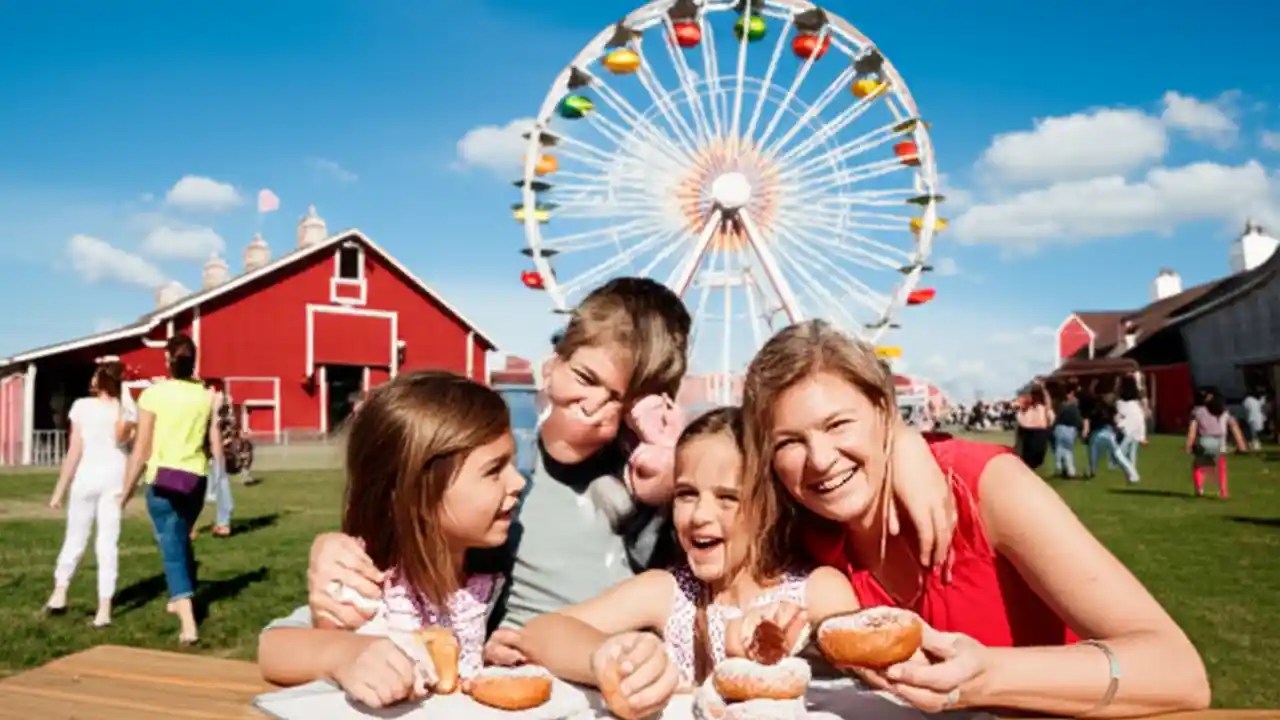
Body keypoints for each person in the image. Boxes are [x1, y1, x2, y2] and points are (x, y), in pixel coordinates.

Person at [279, 279, 957, 693]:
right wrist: (335, 548)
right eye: (586, 381)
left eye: (625, 400)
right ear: (553, 367)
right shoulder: (498, 469)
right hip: (533, 678)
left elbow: (783, 448)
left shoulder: (667, 483)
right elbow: (407, 524)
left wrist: (904, 440)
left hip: (635, 687)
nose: (596, 410)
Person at [741, 320, 1209, 717]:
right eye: (789, 442)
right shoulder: (808, 540)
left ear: (884, 414)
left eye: (838, 424)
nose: (819, 459)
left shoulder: (984, 488)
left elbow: (1179, 672)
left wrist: (988, 675)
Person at [519, 407, 858, 708]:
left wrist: (792, 645)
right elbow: (538, 631)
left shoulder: (816, 591)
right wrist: (608, 657)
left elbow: (864, 674)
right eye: (686, 494)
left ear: (771, 508)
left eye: (728, 498)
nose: (699, 515)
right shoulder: (669, 591)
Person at [258, 372, 525, 709]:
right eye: (494, 470)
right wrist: (347, 655)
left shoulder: (494, 576)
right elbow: (273, 649)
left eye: (512, 464)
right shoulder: (371, 579)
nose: (517, 481)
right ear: (418, 493)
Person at [121, 334, 223, 645]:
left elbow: (141, 449)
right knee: (180, 536)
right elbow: (212, 440)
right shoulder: (206, 396)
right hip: (195, 479)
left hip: (164, 478)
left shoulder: (154, 395)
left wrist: (124, 493)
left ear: (167, 360)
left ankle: (188, 619)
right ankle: (181, 595)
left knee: (171, 546)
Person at [45, 362, 136, 627]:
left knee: (75, 536)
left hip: (87, 476)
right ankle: (104, 609)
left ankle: (60, 591)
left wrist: (59, 489)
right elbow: (125, 442)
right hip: (115, 477)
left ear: (100, 381)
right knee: (107, 543)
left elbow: (75, 450)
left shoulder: (82, 407)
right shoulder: (124, 409)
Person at [1186, 389, 1248, 499]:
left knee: (1198, 467)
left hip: (1205, 441)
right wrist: (1241, 444)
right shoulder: (1224, 411)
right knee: (1221, 468)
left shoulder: (1197, 412)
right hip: (1220, 442)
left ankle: (1199, 489)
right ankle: (1223, 491)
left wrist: (1189, 444)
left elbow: (1193, 429)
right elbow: (1234, 427)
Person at [1114, 376, 1148, 483]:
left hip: (1127, 431)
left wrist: (1118, 424)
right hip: (1135, 431)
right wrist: (1142, 436)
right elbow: (1141, 419)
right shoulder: (1136, 403)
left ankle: (1133, 474)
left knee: (1118, 454)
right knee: (1132, 453)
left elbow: (1119, 419)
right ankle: (1131, 477)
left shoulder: (1120, 403)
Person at [1014, 383, 1053, 471]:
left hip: (1031, 430)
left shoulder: (1033, 405)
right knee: (1035, 458)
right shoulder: (1040, 406)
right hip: (1037, 431)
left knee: (1030, 457)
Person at [1050, 387, 1082, 478]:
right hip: (1069, 429)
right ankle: (1068, 470)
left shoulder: (1062, 405)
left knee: (1061, 449)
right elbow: (1078, 419)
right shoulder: (1073, 406)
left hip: (1062, 428)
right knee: (1066, 450)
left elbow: (1057, 417)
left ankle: (1061, 468)